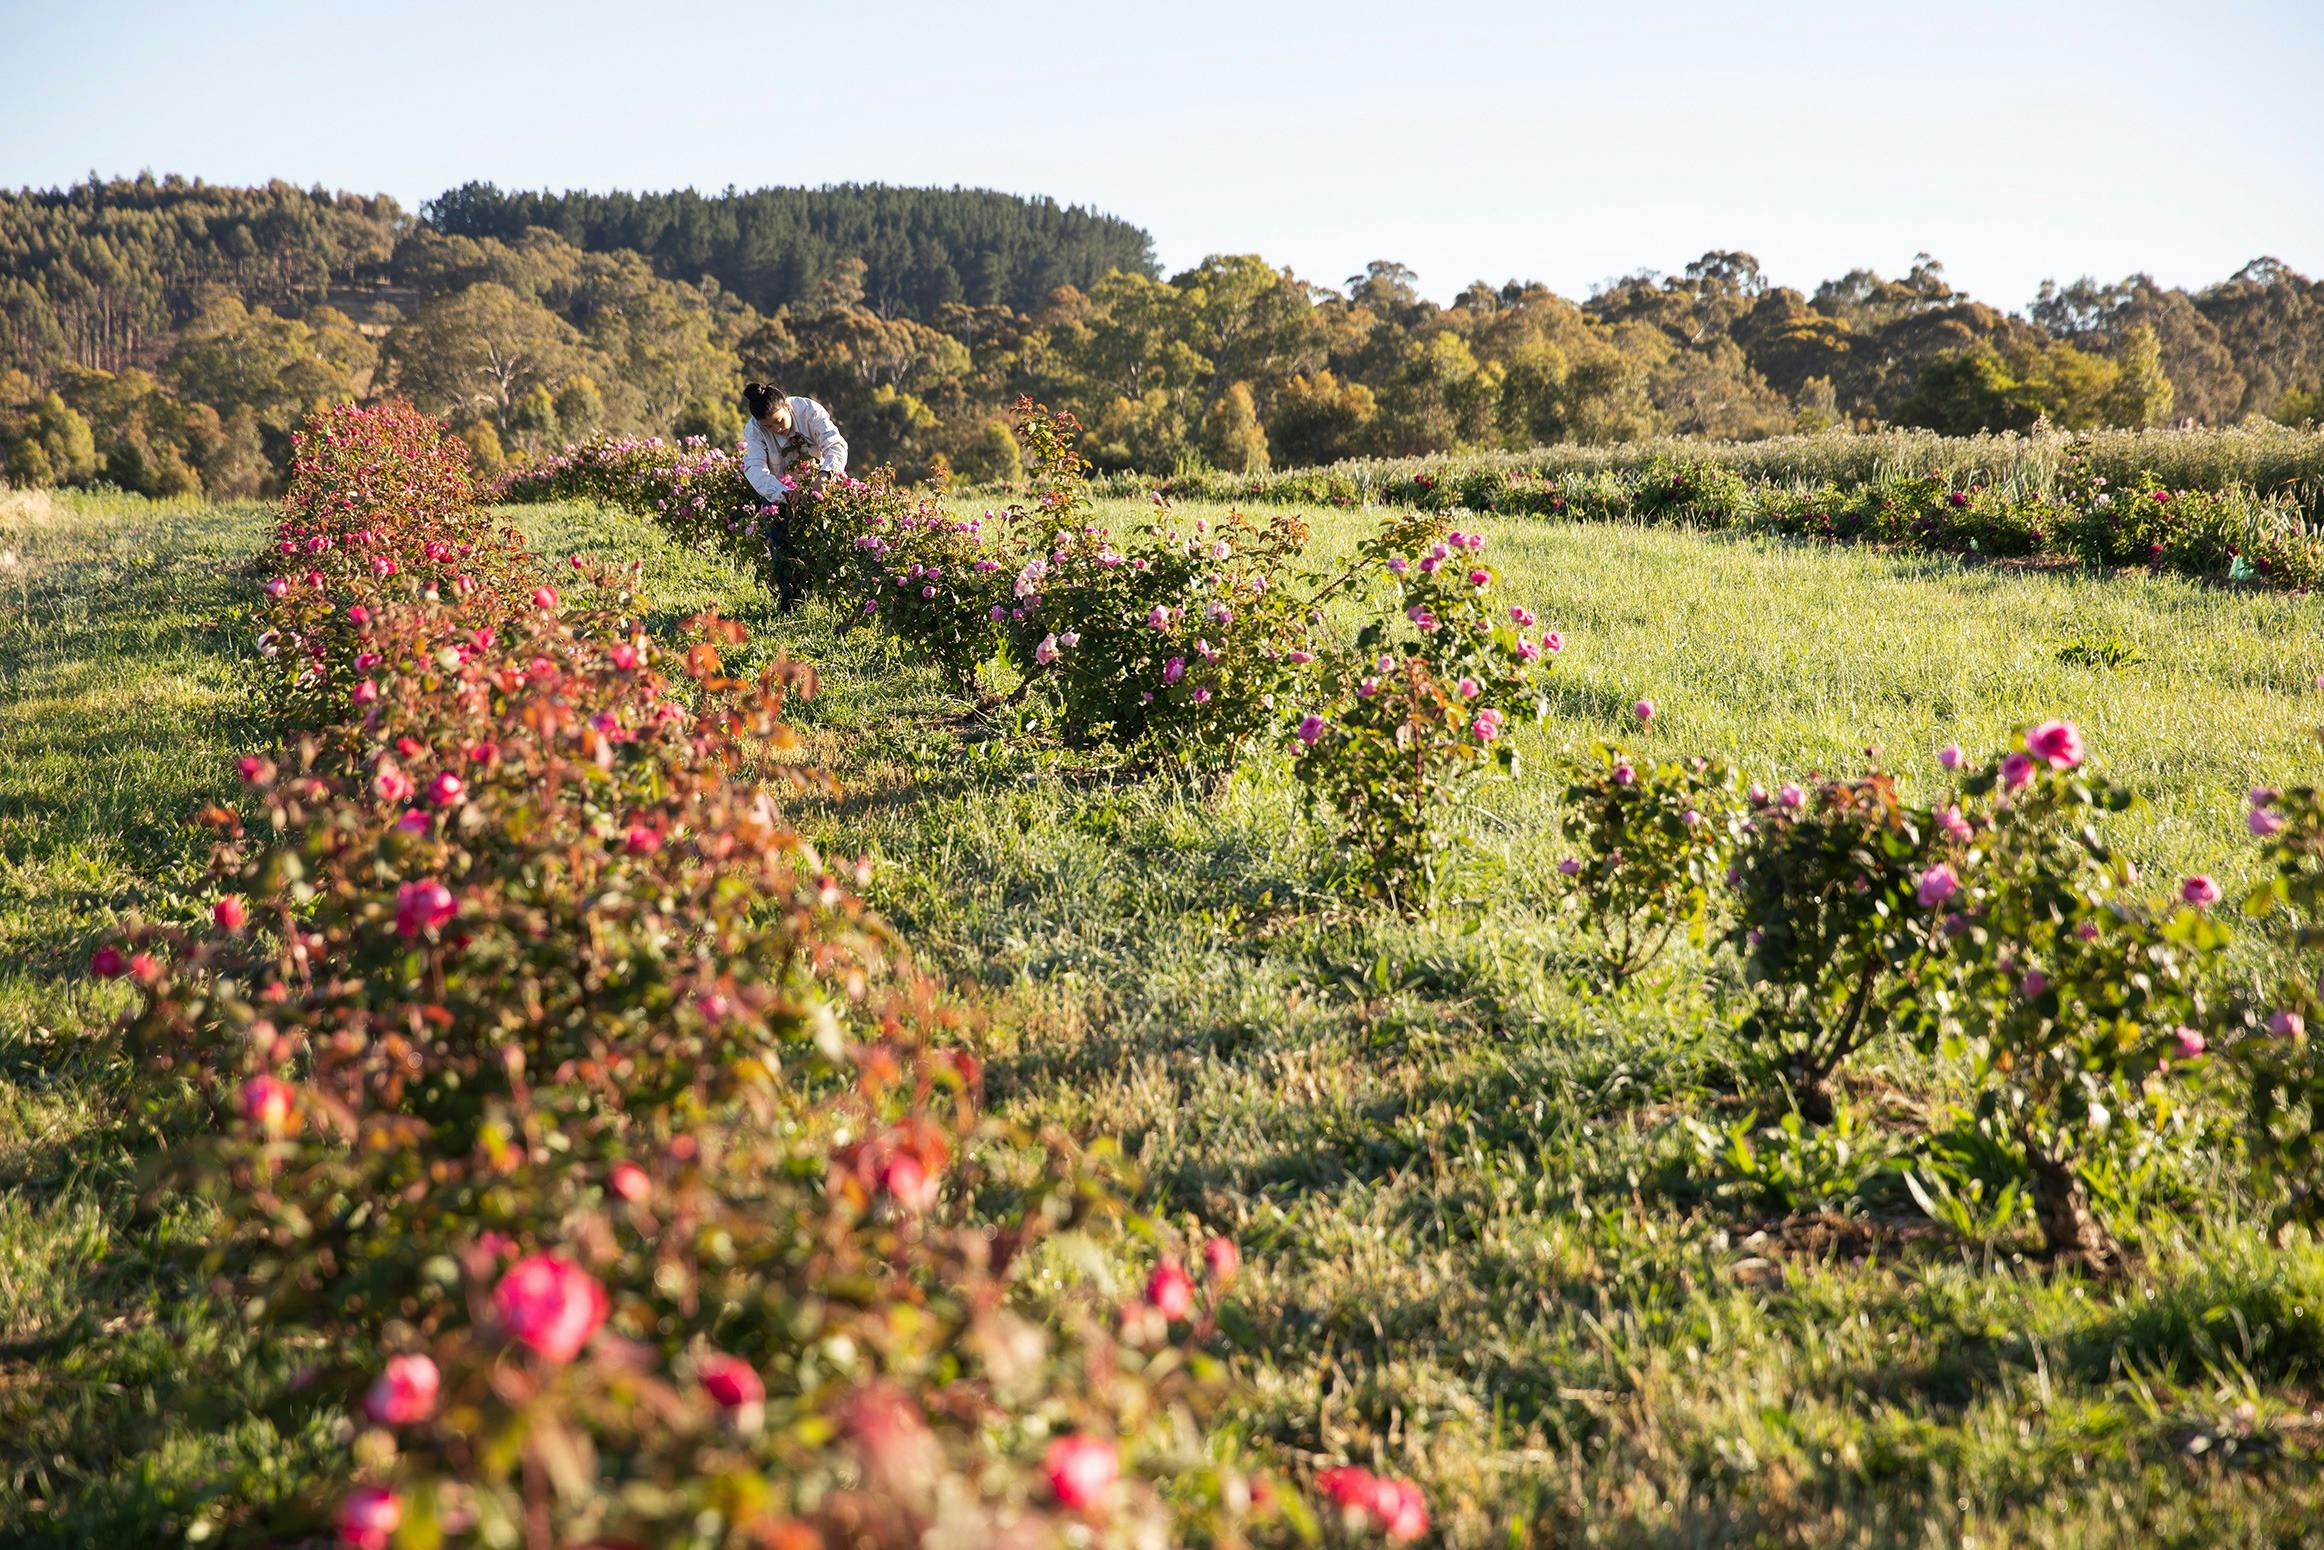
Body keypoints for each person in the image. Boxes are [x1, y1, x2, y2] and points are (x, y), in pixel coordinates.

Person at [740, 381, 849, 613]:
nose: (776, 429)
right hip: (781, 489)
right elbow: (755, 469)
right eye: (768, 426)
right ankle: (789, 604)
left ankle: (835, 601)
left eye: (779, 421)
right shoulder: (754, 430)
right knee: (780, 543)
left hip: (821, 482)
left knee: (832, 540)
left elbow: (835, 445)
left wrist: (825, 475)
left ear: (787, 408)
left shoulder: (809, 411)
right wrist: (783, 493)